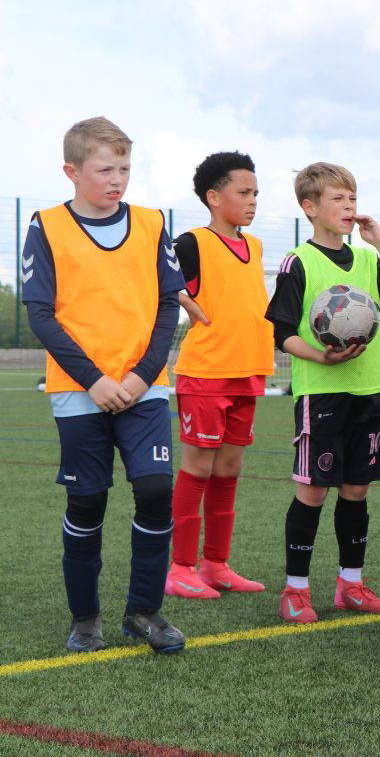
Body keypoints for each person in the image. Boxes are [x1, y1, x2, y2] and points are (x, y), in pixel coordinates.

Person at [22, 117, 186, 653]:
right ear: (71, 171)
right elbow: (41, 315)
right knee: (87, 500)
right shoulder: (46, 226)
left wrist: (141, 375)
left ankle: (143, 612)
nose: (118, 179)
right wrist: (93, 380)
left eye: (125, 168)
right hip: (79, 390)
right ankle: (85, 616)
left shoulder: (151, 223)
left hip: (144, 386)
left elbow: (167, 306)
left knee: (157, 491)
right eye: (105, 169)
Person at [266, 163, 380, 625]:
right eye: (337, 199)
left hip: (371, 389)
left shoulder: (367, 259)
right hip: (322, 392)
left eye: (352, 198)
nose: (348, 207)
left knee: (356, 490)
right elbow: (281, 333)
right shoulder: (297, 262)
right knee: (313, 491)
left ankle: (351, 584)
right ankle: (296, 589)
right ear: (310, 207)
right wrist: (319, 357)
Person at [165, 151, 274, 600]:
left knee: (229, 468)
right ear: (214, 196)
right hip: (205, 374)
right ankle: (179, 567)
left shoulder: (257, 245)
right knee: (199, 467)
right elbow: (164, 286)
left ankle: (215, 564)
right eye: (243, 192)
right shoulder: (191, 243)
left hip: (248, 371)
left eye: (255, 193)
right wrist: (180, 298)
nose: (252, 201)